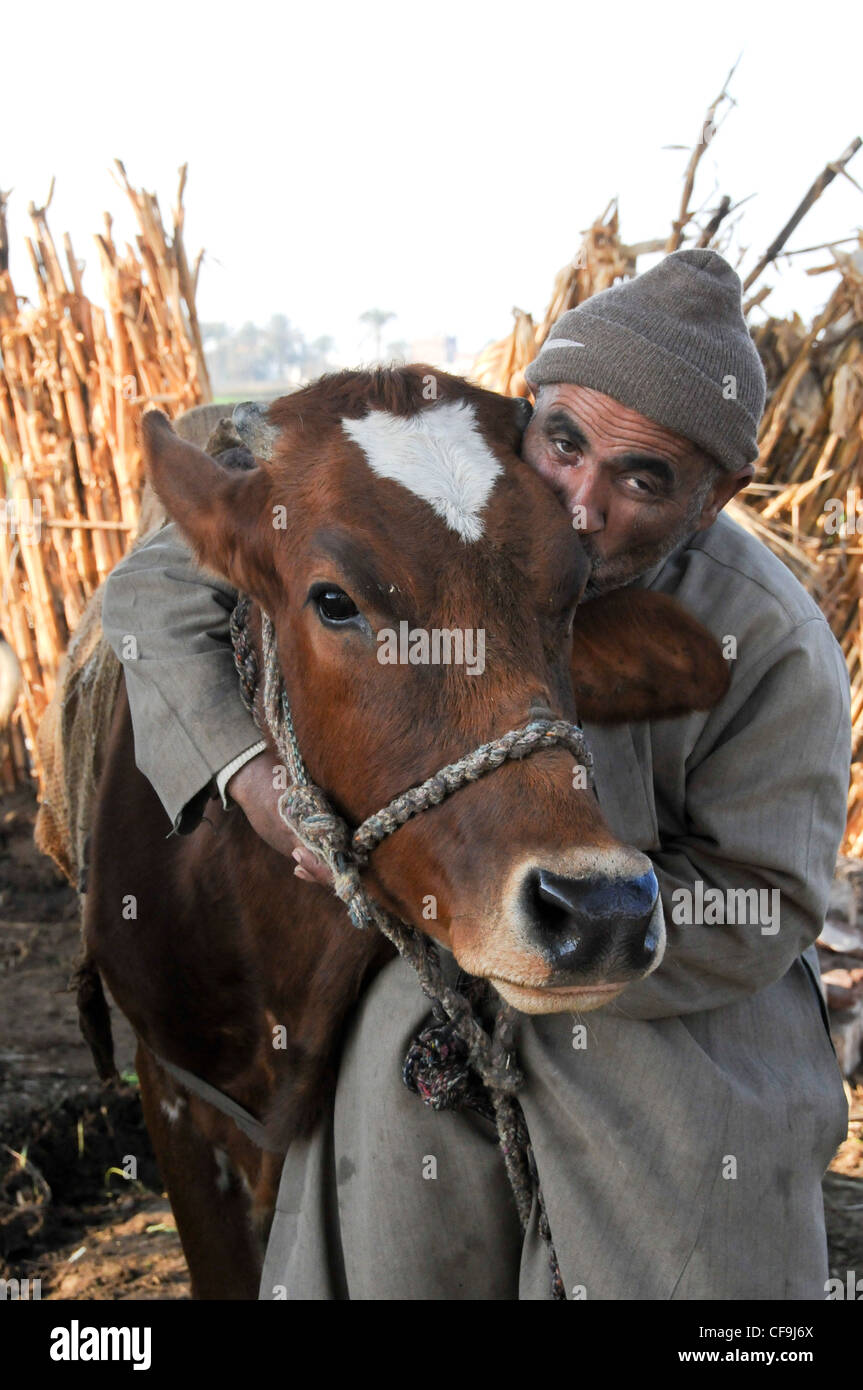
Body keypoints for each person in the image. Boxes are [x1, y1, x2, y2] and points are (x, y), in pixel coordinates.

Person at [102, 250, 851, 1299]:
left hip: (661, 1001)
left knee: (694, 1248)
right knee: (387, 1165)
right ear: (523, 412)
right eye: (565, 443)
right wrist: (250, 778)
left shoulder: (767, 641)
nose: (583, 503)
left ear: (719, 492)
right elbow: (153, 587)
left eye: (645, 478)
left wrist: (567, 925)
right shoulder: (437, 496)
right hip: (429, 960)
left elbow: (762, 897)